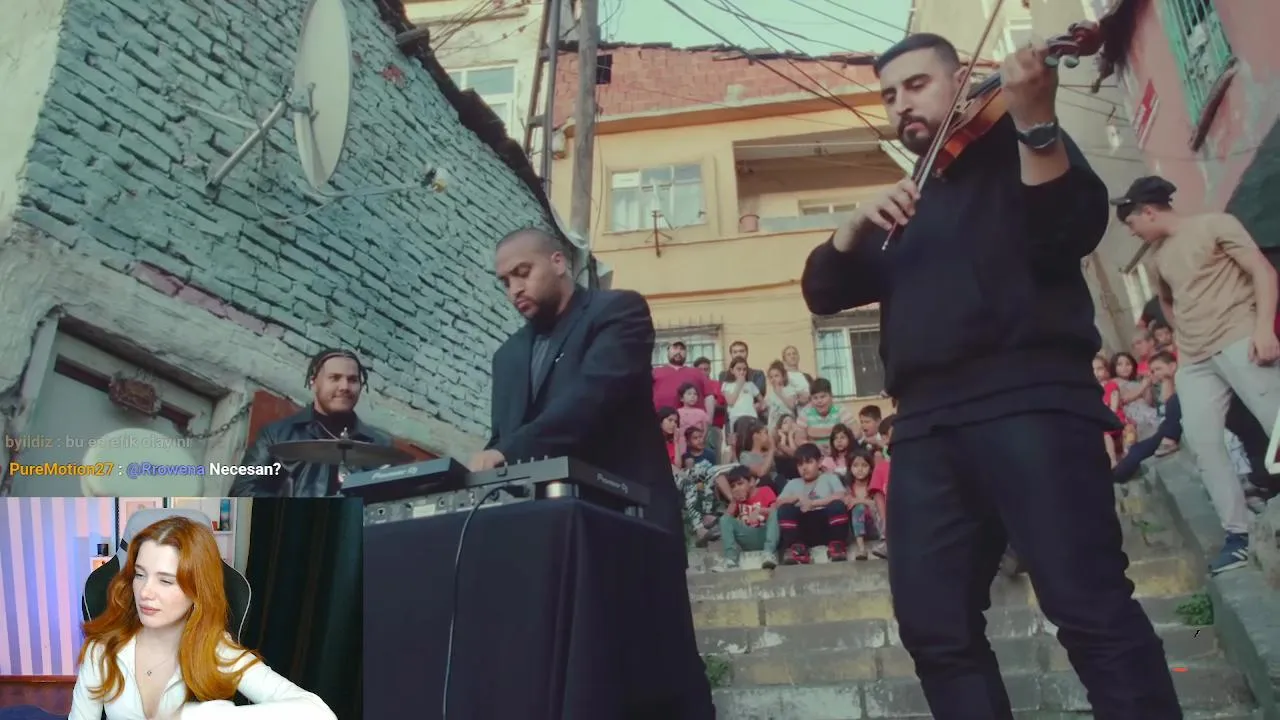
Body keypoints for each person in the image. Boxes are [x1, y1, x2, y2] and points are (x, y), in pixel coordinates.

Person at [800, 33, 1180, 718]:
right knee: (933, 627)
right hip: (924, 427)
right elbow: (823, 292)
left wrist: (1036, 124)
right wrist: (852, 223)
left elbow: (1066, 229)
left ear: (963, 81)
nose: (900, 103)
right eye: (889, 95)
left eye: (917, 84)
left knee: (1089, 608)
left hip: (1032, 404)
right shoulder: (907, 202)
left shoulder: (1021, 148)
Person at [473, 226, 715, 716]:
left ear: (559, 262)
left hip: (631, 521)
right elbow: (503, 437)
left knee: (660, 667)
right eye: (505, 281)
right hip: (551, 535)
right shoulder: (507, 356)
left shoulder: (618, 312)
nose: (514, 288)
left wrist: (509, 451)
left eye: (523, 272)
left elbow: (595, 397)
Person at [1114, 175, 1280, 574]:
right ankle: (1238, 534)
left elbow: (1263, 271)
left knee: (1276, 424)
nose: (1132, 231)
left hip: (1240, 337)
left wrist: (1263, 328)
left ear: (1148, 211)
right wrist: (1184, 343)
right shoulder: (1156, 259)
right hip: (1195, 358)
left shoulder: (1215, 224)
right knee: (1203, 442)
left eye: (1132, 223)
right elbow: (1167, 303)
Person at [70, 516, 335, 720]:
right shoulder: (101, 650)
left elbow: (318, 713)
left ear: (197, 591)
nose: (145, 592)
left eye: (165, 580)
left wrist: (199, 716)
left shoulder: (217, 649)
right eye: (140, 575)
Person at [230, 349, 393, 497]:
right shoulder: (276, 435)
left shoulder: (380, 444)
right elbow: (243, 491)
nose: (344, 386)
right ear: (313, 383)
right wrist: (304, 513)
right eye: (334, 378)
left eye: (352, 380)